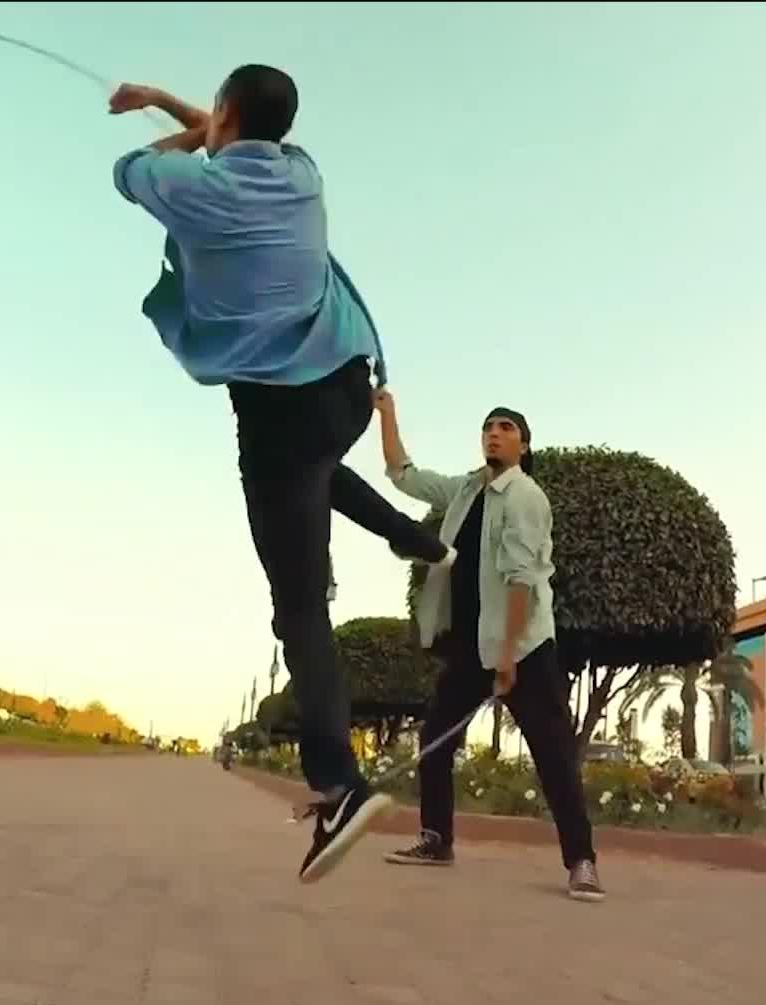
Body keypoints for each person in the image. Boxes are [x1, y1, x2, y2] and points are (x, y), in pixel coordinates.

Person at [109, 66, 443, 882]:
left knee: (298, 609)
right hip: (346, 388)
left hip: (280, 416)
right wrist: (172, 101)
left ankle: (337, 784)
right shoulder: (303, 175)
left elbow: (133, 169)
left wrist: (167, 118)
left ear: (223, 117)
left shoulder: (186, 184)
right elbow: (231, 138)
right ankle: (415, 540)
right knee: (318, 477)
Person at [372, 390, 605, 902]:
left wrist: (508, 656)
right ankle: (436, 840)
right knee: (435, 740)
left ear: (524, 444)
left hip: (524, 649)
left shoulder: (526, 497)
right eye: (488, 427)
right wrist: (386, 413)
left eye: (505, 427)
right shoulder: (466, 491)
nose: (494, 434)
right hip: (471, 647)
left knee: (553, 757)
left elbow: (522, 579)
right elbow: (404, 473)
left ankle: (582, 862)